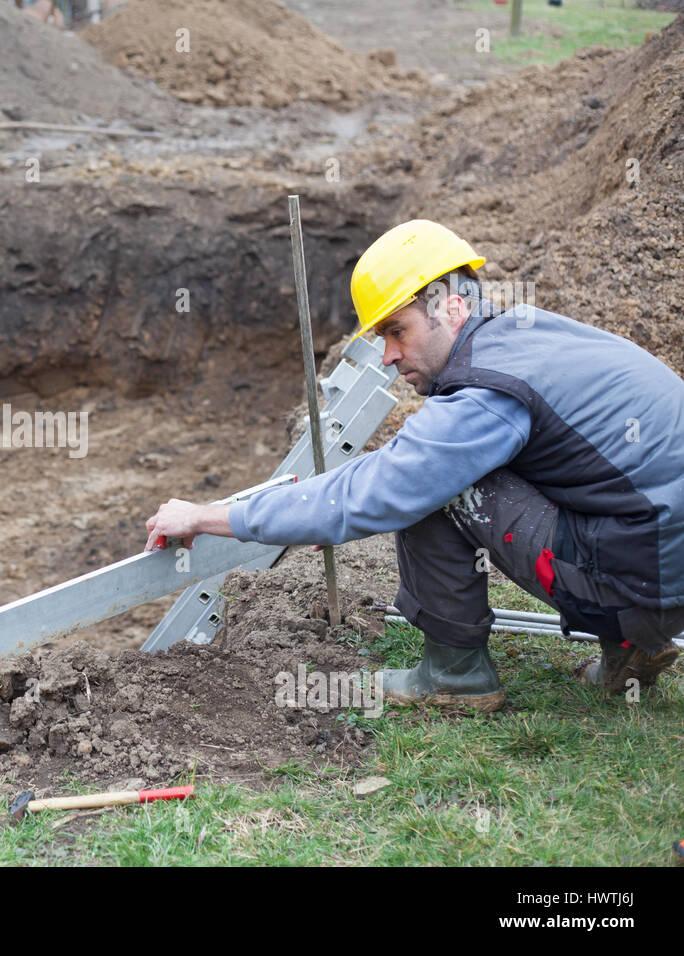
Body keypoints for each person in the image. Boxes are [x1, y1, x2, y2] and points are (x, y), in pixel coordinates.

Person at [144, 219, 684, 712]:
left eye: (397, 331)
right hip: (657, 557)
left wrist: (209, 516)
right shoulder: (525, 333)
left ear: (447, 305)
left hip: (645, 581)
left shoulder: (486, 390)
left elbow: (383, 488)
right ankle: (634, 647)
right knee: (491, 474)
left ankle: (455, 676)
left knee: (440, 489)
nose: (387, 355)